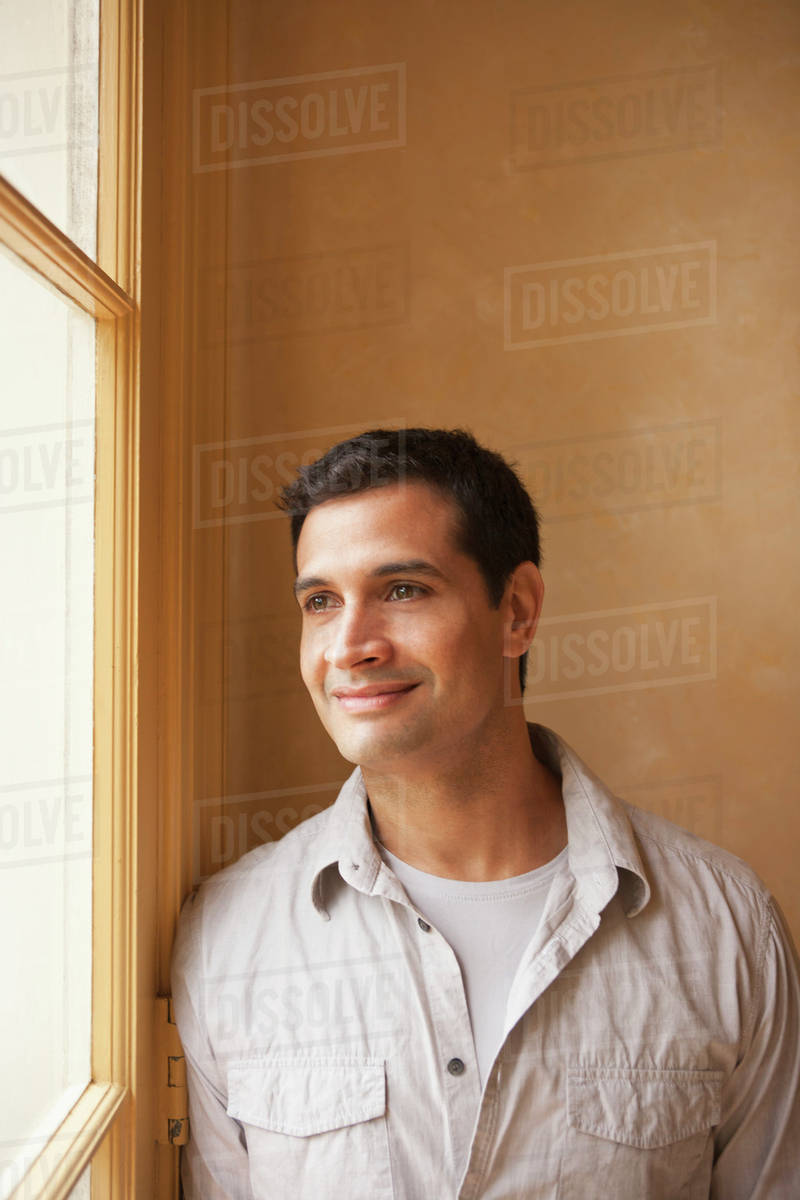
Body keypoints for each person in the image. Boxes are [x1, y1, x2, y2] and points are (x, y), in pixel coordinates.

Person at [171, 426, 800, 1199]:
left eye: (403, 590)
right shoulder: (226, 936)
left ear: (518, 612)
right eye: (321, 601)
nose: (350, 645)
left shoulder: (727, 930)